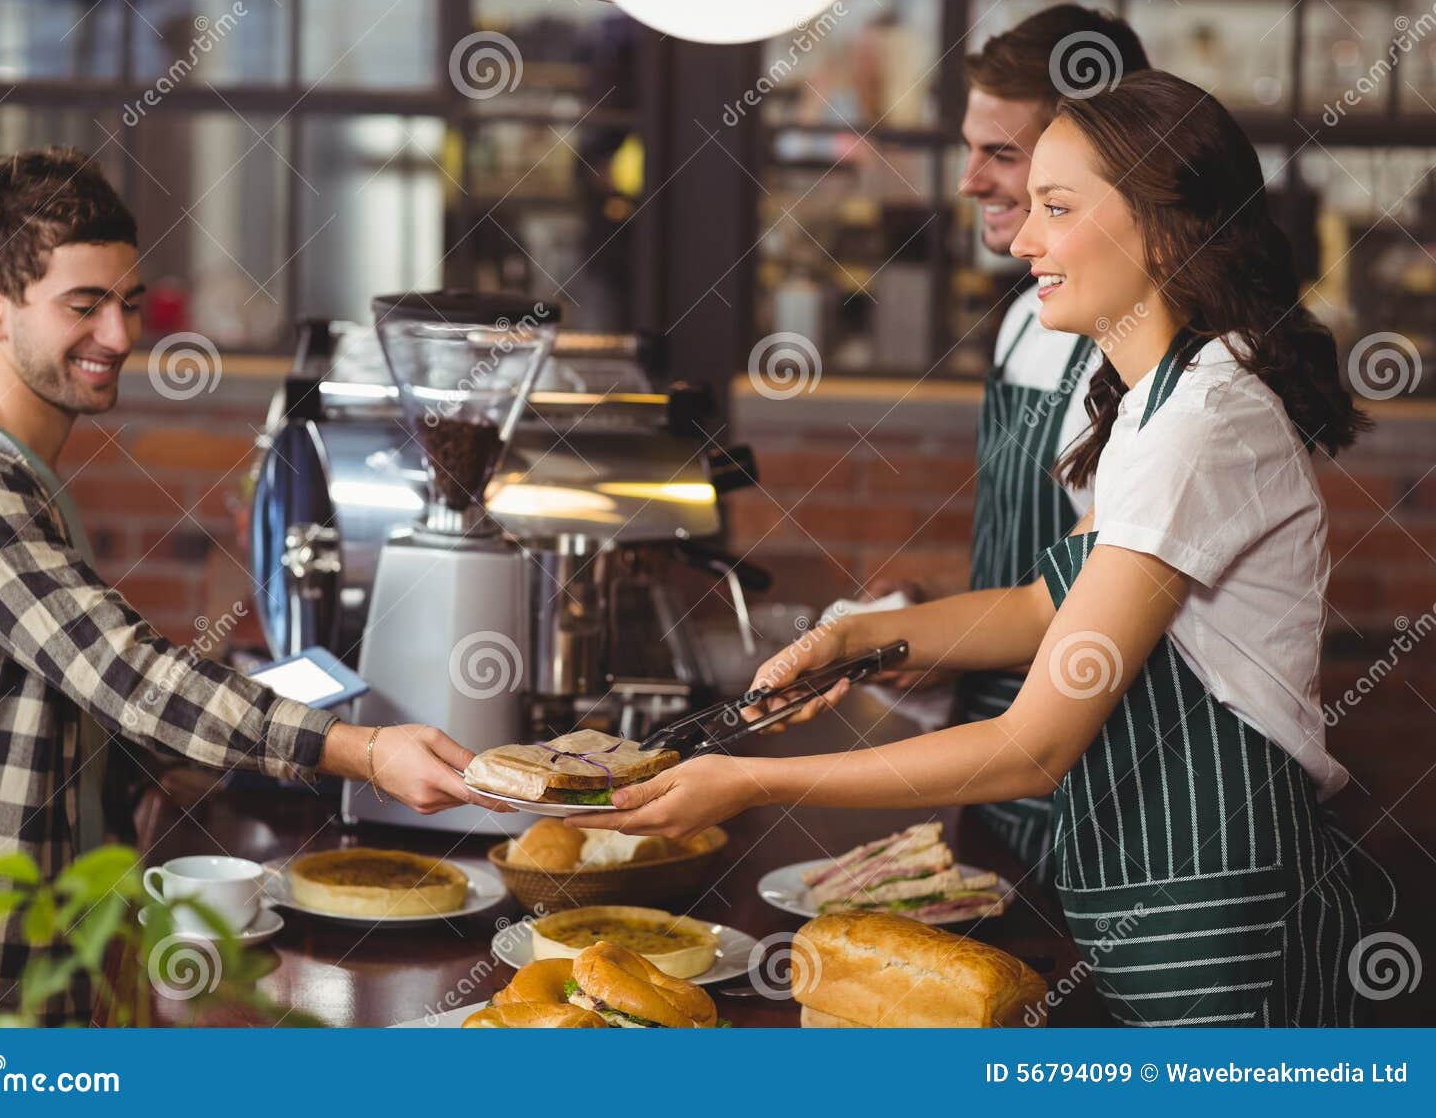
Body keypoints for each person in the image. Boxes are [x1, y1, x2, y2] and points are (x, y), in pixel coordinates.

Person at [570, 71, 1391, 1027]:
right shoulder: (1159, 398)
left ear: (1163, 228)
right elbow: (1046, 607)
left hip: (1226, 931)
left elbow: (1032, 745)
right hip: (1156, 903)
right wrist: (859, 641)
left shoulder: (1206, 421)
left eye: (1056, 207)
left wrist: (749, 779)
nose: (1026, 239)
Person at [0, 148, 495, 1027]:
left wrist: (194, 745)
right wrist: (365, 751)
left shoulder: (17, 480)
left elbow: (59, 713)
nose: (119, 335)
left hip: (33, 987)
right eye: (84, 305)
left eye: (128, 302)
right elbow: (125, 673)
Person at [952, 5, 1148, 888]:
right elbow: (1027, 569)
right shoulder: (1026, 317)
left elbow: (1069, 605)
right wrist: (918, 629)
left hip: (1089, 781)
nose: (970, 183)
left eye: (1003, 155)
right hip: (988, 764)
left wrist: (899, 642)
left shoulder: (1138, 357)